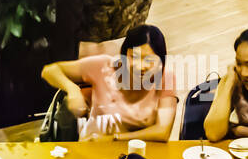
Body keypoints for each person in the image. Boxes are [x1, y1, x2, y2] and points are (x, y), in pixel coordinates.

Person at [41, 24, 178, 142]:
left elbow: (162, 131)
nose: (140, 66)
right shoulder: (104, 65)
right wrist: (73, 90)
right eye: (134, 57)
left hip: (138, 155)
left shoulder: (166, 77)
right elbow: (50, 71)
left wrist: (115, 138)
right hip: (93, 146)